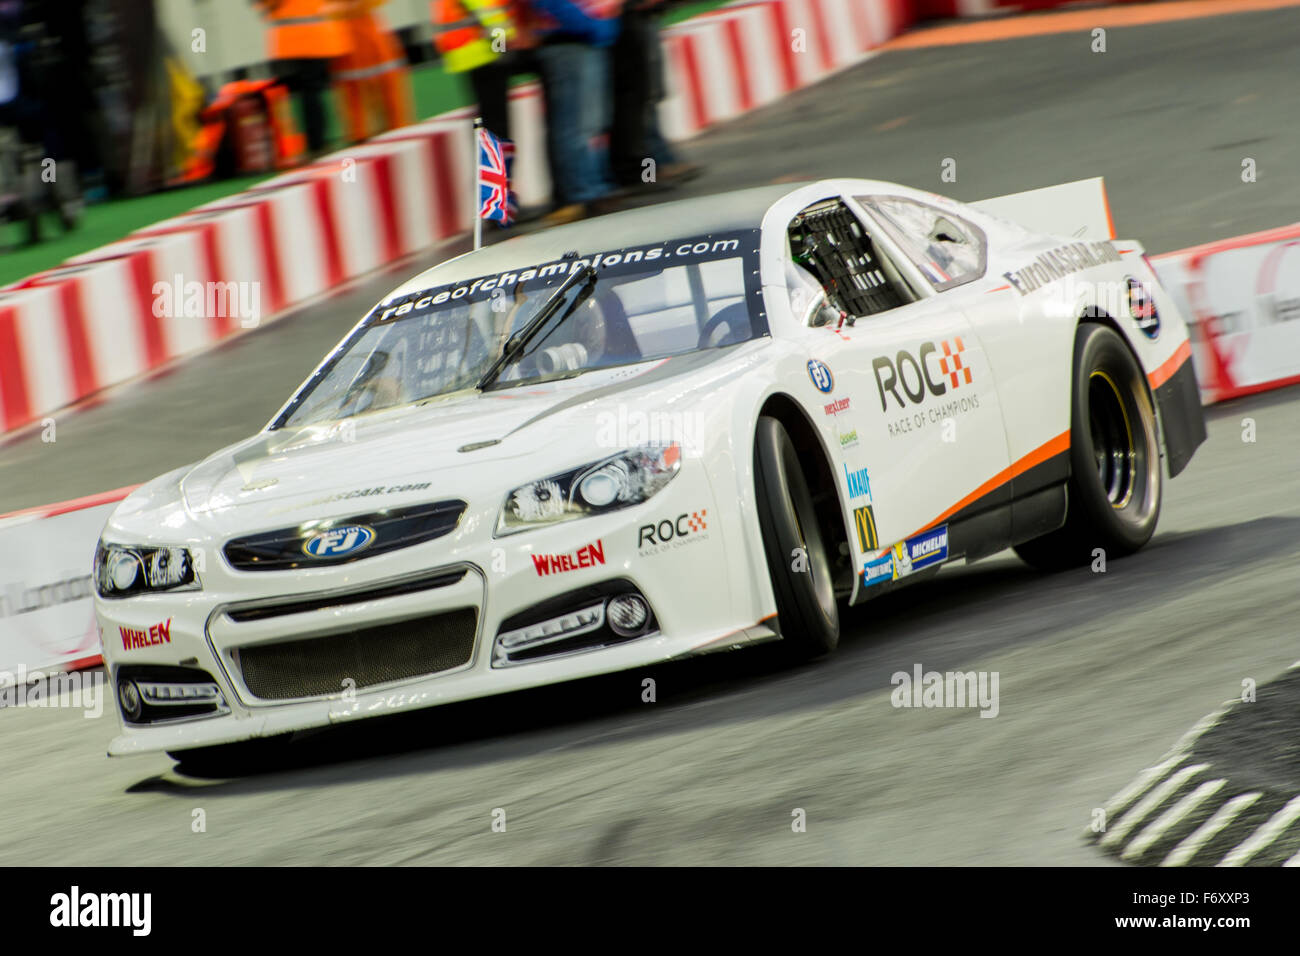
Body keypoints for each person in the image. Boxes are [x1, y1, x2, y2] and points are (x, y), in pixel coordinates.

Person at [525, 0, 620, 224]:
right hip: (568, 40)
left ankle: (594, 188)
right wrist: (592, 26)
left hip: (585, 38)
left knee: (591, 123)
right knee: (573, 125)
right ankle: (580, 193)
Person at [609, 0, 697, 190]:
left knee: (646, 98)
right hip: (627, 20)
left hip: (638, 17)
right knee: (637, 102)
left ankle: (659, 163)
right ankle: (646, 174)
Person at [257, 0, 353, 154]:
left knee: (307, 91)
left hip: (296, 38)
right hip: (319, 34)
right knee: (314, 89)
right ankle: (320, 141)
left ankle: (316, 143)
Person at [432, 0, 523, 145]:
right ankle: (497, 164)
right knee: (496, 123)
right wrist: (502, 48)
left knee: (487, 121)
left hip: (469, 54)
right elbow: (490, 16)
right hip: (486, 53)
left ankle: (491, 162)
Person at [333, 0, 414, 143]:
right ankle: (363, 137)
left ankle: (369, 135)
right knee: (358, 99)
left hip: (365, 48)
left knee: (386, 101)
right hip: (355, 48)